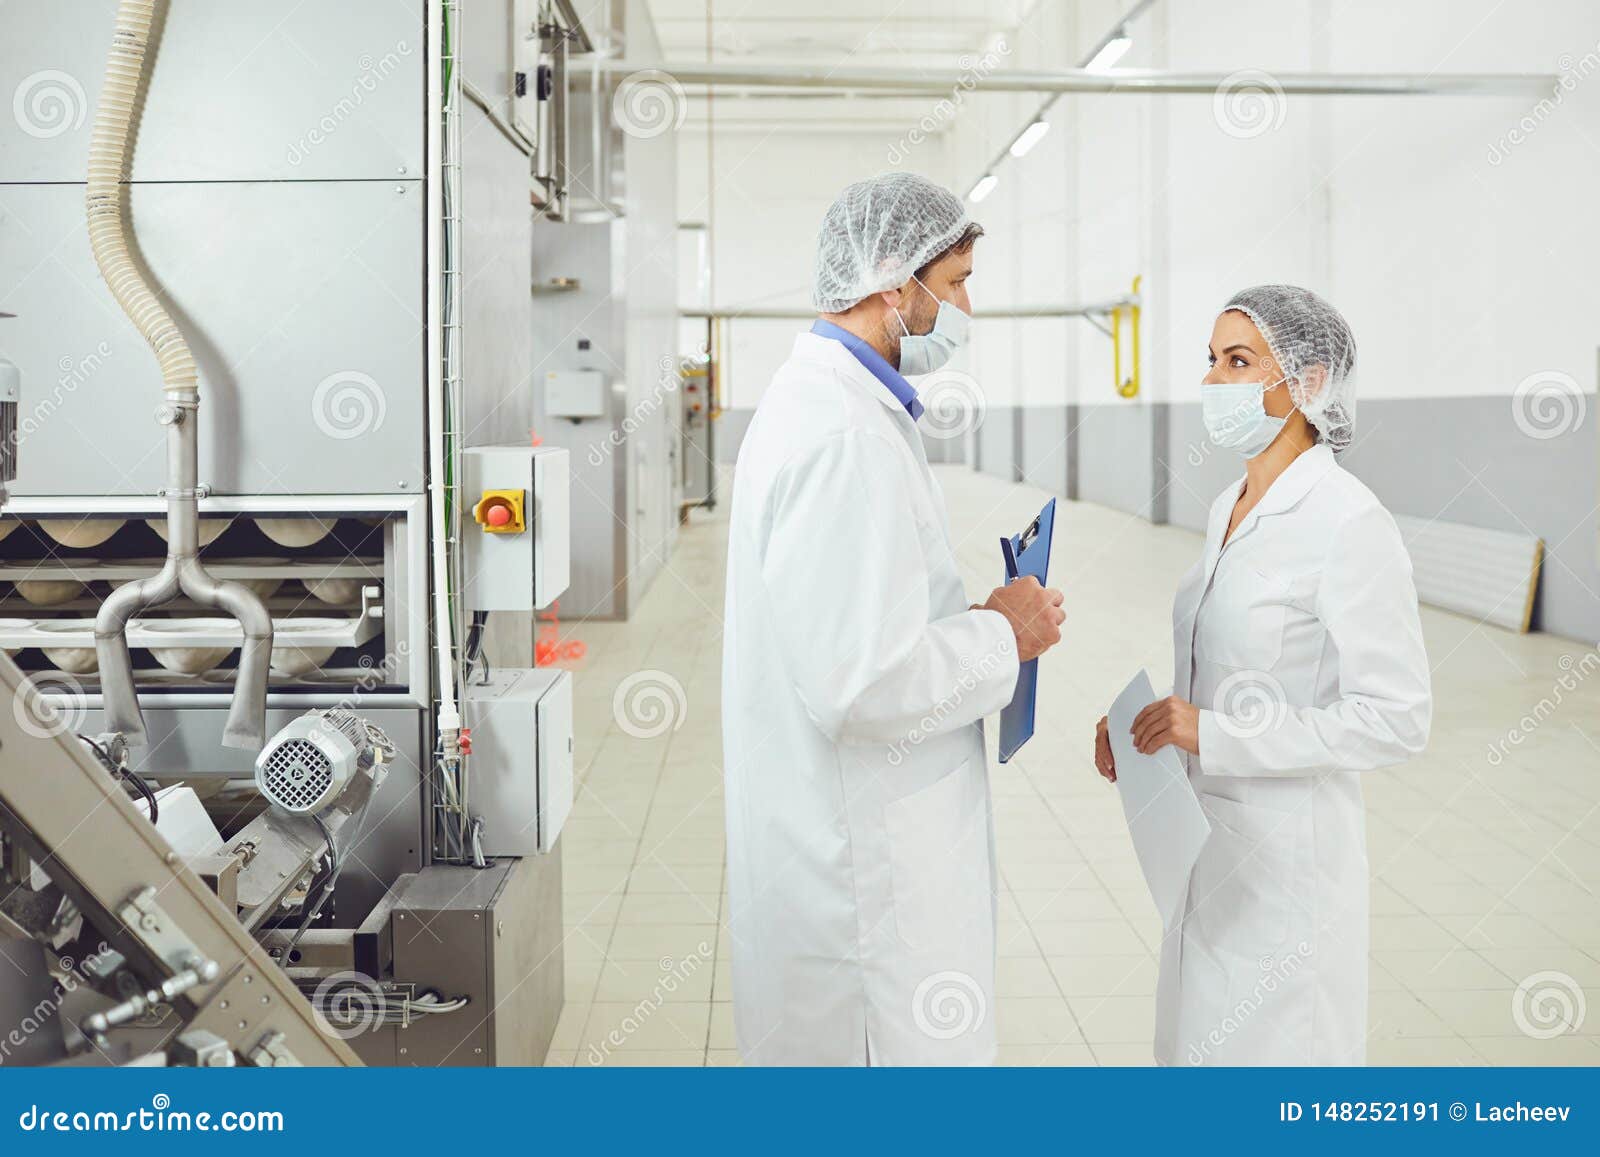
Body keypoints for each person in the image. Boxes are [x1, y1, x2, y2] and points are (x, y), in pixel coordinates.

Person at [722, 172, 1066, 1066]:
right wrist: (1007, 633)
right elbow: (862, 683)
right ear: (891, 283)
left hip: (847, 841)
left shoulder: (841, 411)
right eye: (951, 284)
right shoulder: (843, 437)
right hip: (864, 881)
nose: (963, 308)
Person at [1093, 285, 1431, 1065]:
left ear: (1310, 384)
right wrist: (1147, 731)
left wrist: (1213, 731)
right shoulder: (1228, 506)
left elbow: (1397, 716)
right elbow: (1215, 673)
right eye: (1211, 360)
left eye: (1239, 360)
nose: (1214, 380)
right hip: (1203, 853)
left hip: (1287, 877)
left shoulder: (1348, 522)